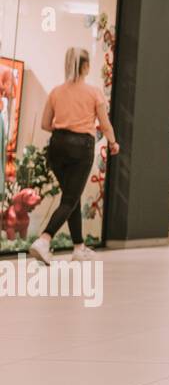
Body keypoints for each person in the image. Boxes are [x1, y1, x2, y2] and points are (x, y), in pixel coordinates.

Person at [31, 47, 118, 264]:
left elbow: (44, 124)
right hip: (81, 147)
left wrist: (64, 131)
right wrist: (113, 142)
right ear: (86, 67)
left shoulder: (56, 92)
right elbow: (105, 124)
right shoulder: (93, 92)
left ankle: (79, 247)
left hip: (57, 146)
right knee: (70, 197)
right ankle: (44, 239)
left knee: (72, 195)